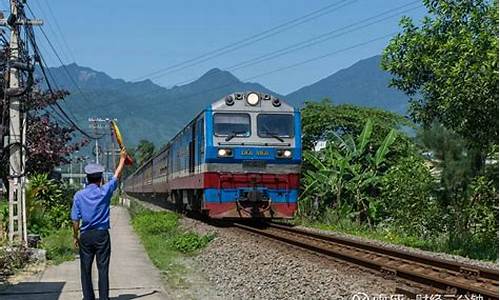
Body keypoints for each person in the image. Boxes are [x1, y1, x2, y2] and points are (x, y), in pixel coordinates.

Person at [71, 150, 128, 300]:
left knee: (85, 269)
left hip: (86, 235)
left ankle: (88, 297)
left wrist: (75, 236)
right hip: (102, 235)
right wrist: (122, 159)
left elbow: (75, 220)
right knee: (103, 269)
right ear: (101, 178)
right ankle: (104, 298)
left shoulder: (78, 195)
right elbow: (116, 175)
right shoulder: (105, 191)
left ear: (87, 178)